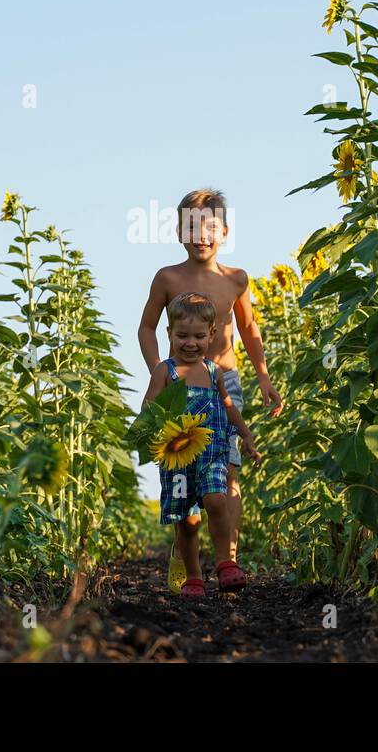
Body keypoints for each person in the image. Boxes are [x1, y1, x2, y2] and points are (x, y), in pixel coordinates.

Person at [137, 188, 279, 570]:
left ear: (225, 232)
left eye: (210, 227)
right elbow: (147, 328)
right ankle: (189, 559)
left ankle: (227, 561)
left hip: (225, 382)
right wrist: (158, 371)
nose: (201, 235)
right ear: (179, 234)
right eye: (192, 227)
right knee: (183, 468)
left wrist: (263, 377)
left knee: (227, 471)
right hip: (180, 386)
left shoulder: (236, 279)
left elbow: (250, 331)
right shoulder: (167, 277)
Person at [141, 292, 257, 597]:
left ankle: (225, 564)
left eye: (198, 336)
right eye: (182, 336)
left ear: (212, 335)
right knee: (187, 518)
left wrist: (245, 434)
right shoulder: (164, 372)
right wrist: (149, 430)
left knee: (217, 500)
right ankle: (193, 576)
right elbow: (149, 408)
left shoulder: (212, 371)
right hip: (177, 457)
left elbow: (229, 407)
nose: (190, 343)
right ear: (169, 334)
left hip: (213, 452)